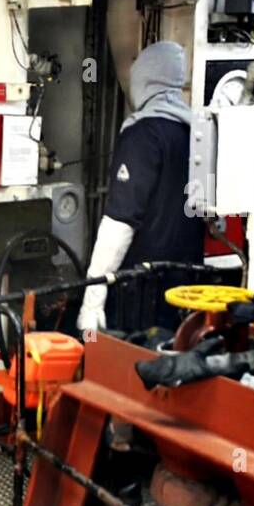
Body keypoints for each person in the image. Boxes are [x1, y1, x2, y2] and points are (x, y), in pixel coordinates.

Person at [78, 41, 203, 334]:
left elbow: (119, 223)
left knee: (128, 367)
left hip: (140, 294)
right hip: (186, 291)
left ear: (145, 79)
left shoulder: (143, 135)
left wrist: (93, 297)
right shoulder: (196, 133)